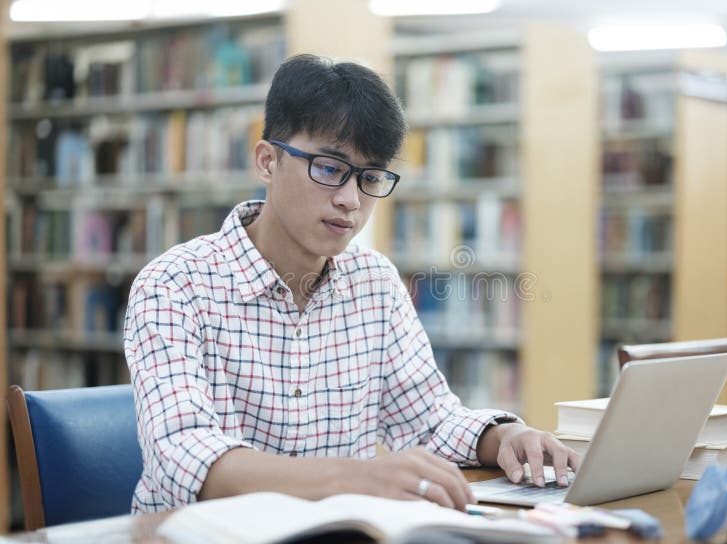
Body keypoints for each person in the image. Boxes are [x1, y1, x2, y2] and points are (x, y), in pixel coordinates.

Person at [124, 54, 580, 514]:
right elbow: (181, 457)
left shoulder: (374, 281)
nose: (350, 200)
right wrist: (354, 477)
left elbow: (429, 421)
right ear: (267, 161)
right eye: (328, 167)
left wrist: (506, 437)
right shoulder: (173, 286)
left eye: (371, 177)